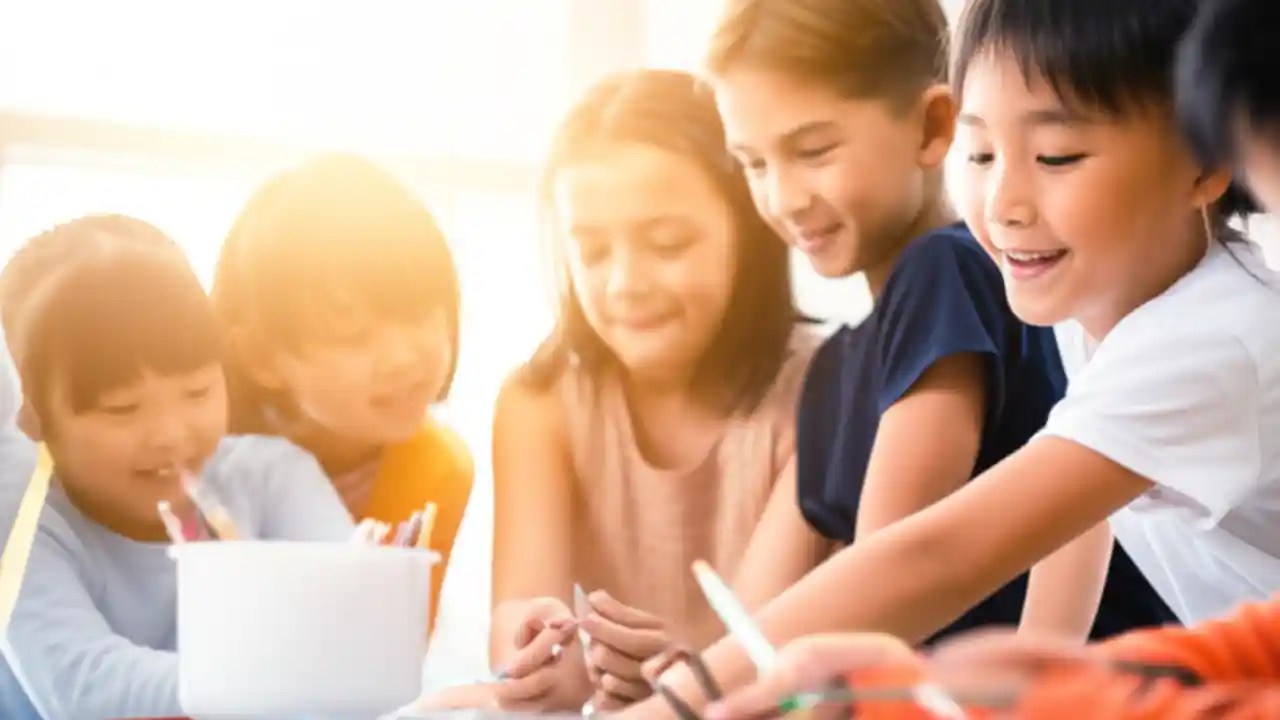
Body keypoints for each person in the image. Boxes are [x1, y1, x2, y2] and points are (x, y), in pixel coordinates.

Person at [625, 0, 1280, 717]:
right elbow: (1082, 515)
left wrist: (677, 706)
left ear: (1205, 165)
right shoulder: (1101, 298)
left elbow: (934, 557)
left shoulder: (1208, 341)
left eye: (1057, 156)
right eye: (982, 154)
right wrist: (1042, 682)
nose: (1004, 203)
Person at [487, 69, 824, 713]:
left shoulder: (822, 392)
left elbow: (752, 656)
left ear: (749, 230)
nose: (624, 285)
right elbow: (518, 616)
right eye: (591, 251)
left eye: (666, 244)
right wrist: (537, 646)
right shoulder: (541, 403)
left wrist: (676, 675)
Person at [0, 215, 354, 720]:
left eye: (198, 391)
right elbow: (84, 691)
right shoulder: (23, 523)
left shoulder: (274, 476)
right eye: (123, 408)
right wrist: (285, 674)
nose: (171, 433)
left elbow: (353, 622)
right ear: (34, 418)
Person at [212, 154, 471, 627]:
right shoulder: (199, 452)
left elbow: (390, 646)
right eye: (355, 337)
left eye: (417, 314)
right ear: (262, 357)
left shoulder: (437, 468)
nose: (403, 357)